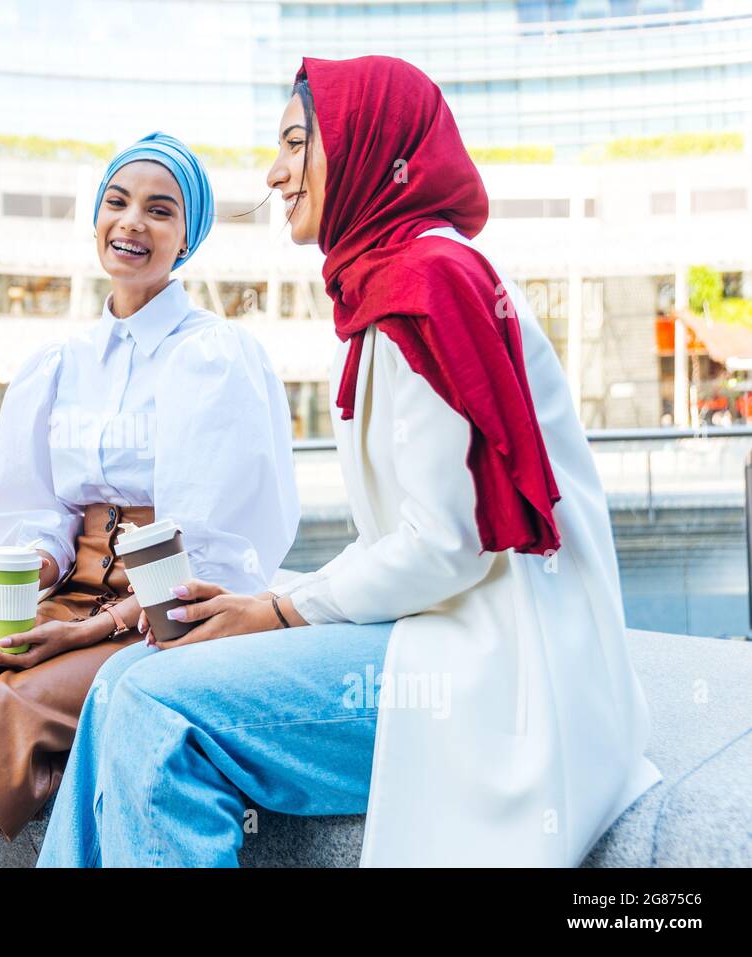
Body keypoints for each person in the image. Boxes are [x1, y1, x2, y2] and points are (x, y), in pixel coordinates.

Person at [37, 56, 662, 868]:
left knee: (158, 705)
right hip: (446, 632)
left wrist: (283, 612)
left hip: (495, 671)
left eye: (297, 143)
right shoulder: (400, 277)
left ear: (369, 145)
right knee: (123, 680)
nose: (275, 171)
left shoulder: (426, 283)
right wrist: (273, 600)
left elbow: (447, 543)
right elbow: (417, 535)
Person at [0, 132, 300, 868]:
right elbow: (41, 514)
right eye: (117, 202)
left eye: (159, 210)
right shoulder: (58, 363)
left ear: (187, 238)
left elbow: (212, 554)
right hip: (71, 603)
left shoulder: (217, 356)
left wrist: (89, 628)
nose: (132, 221)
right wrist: (28, 569)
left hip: (162, 621)